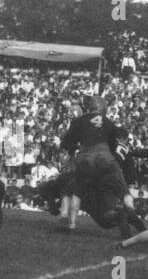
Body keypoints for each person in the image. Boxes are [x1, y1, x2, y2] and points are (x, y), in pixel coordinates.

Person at [57, 95, 139, 238]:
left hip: (85, 156)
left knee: (77, 190)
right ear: (103, 108)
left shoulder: (79, 120)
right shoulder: (109, 123)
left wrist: (73, 149)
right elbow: (114, 147)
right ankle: (130, 209)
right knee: (122, 188)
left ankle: (72, 225)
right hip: (104, 156)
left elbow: (66, 143)